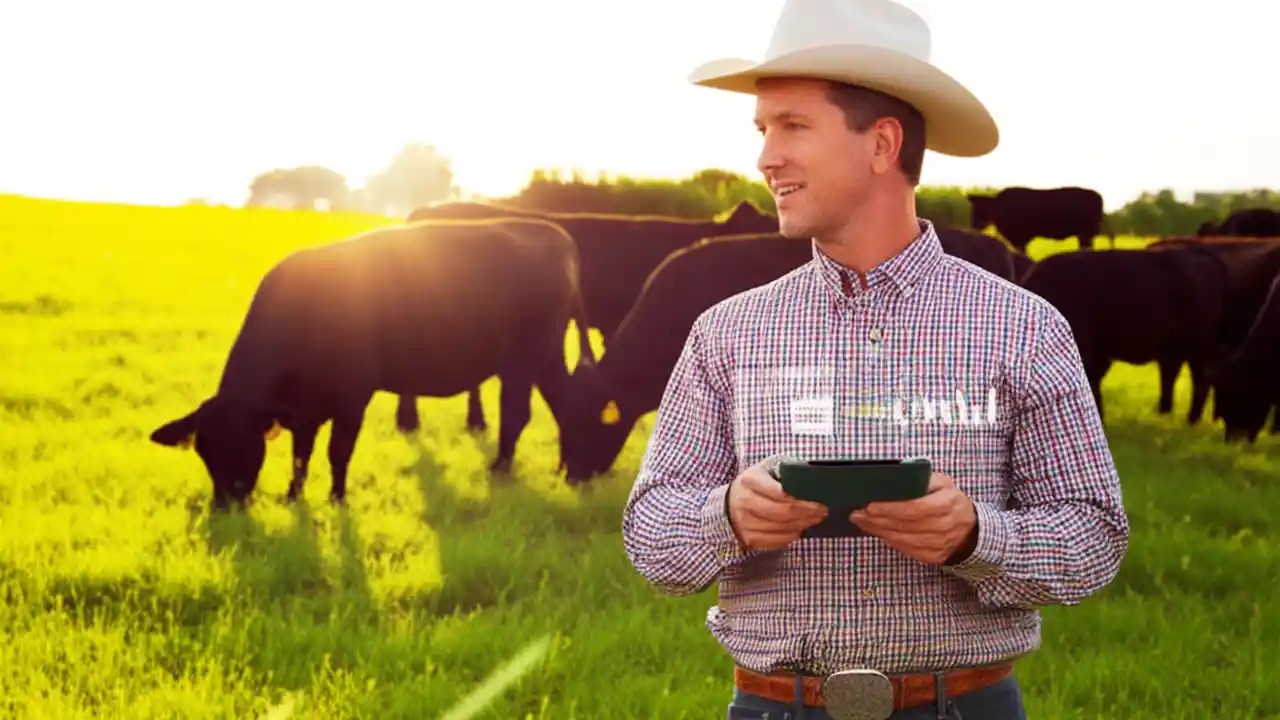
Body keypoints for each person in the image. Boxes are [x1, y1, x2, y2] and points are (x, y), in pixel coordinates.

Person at [619, 1, 1131, 718]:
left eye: (794, 126)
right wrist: (726, 516)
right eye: (763, 129)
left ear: (882, 144)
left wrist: (976, 536)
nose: (766, 156)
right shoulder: (725, 333)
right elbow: (649, 536)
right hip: (772, 708)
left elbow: (1095, 537)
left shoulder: (1023, 326)